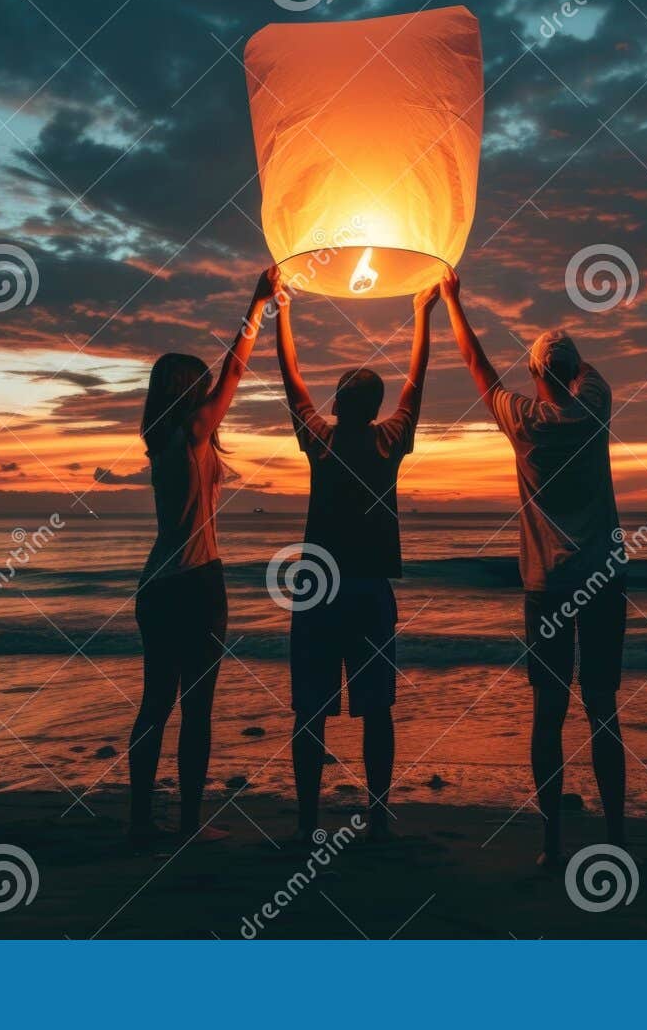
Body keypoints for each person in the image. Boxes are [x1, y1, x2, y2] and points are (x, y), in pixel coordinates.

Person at [440, 269, 625, 867]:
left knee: (549, 713)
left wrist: (452, 300)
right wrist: (565, 360)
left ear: (535, 377)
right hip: (602, 580)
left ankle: (551, 843)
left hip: (548, 588)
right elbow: (583, 370)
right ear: (573, 372)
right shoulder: (595, 407)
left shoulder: (523, 422)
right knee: (603, 709)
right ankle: (616, 839)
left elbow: (477, 365)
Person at [275, 270, 439, 842]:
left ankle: (304, 822)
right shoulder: (389, 441)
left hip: (318, 589)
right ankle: (376, 815)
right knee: (376, 708)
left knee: (310, 711)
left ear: (340, 401)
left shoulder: (319, 441)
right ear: (375, 406)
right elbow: (416, 380)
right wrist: (424, 312)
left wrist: (282, 311)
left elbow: (290, 377)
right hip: (368, 590)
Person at [128, 266, 278, 851]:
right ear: (184, 393)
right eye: (199, 382)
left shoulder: (166, 442)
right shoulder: (189, 431)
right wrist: (257, 304)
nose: (210, 387)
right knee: (193, 708)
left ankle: (143, 819)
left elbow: (227, 380)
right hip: (193, 586)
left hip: (162, 585)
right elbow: (236, 371)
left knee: (158, 704)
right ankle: (185, 824)